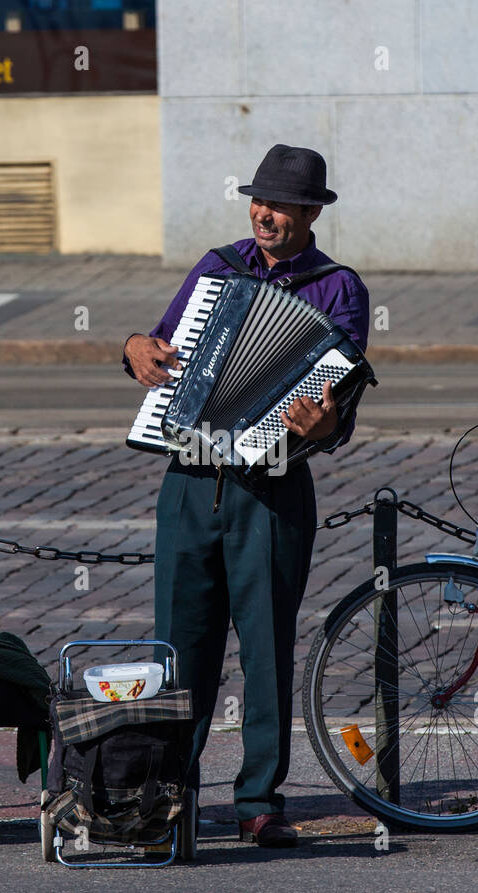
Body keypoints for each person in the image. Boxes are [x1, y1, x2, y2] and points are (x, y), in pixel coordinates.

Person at [123, 144, 370, 848]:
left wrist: (325, 425)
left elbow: (340, 404)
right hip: (189, 479)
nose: (264, 214)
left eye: (281, 205)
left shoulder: (338, 287)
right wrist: (134, 346)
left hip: (272, 487)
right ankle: (173, 792)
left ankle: (259, 798)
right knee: (180, 644)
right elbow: (158, 344)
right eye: (258, 202)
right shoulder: (217, 268)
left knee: (266, 646)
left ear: (312, 213)